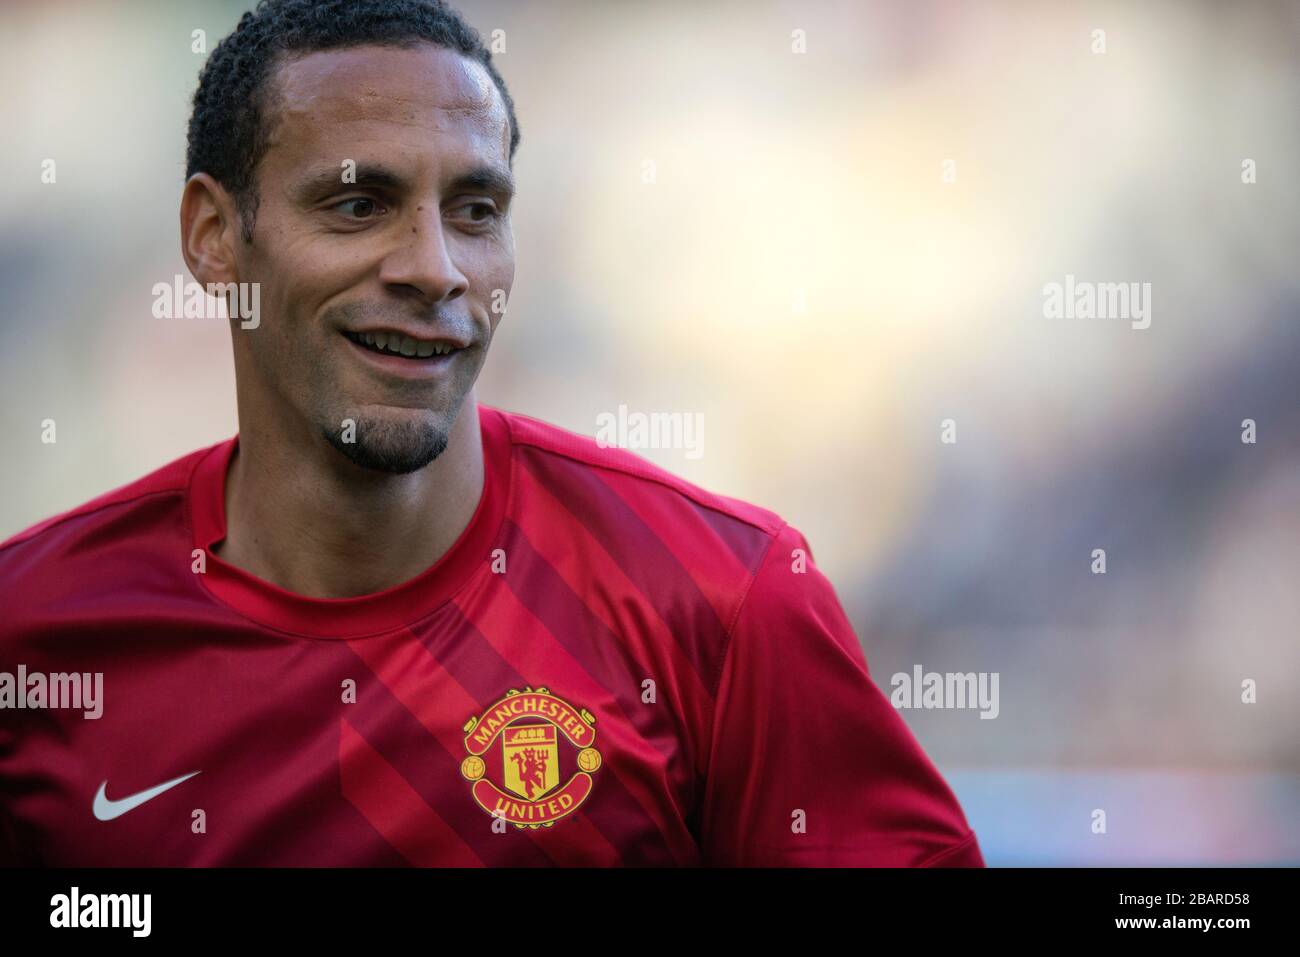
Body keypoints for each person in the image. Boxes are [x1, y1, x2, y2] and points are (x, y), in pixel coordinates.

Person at [0, 0, 983, 866]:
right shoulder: (34, 634)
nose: (435, 267)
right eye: (356, 205)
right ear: (214, 236)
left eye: (475, 211)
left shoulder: (723, 601)